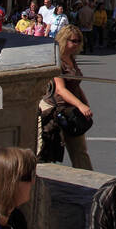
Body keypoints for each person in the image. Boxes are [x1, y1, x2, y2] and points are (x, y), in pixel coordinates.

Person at [36, 25, 94, 169]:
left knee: (80, 151)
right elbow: (61, 89)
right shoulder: (57, 60)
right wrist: (80, 105)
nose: (77, 44)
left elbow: (76, 85)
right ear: (63, 40)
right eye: (73, 41)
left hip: (70, 109)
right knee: (45, 150)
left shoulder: (71, 59)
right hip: (53, 109)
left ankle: (88, 182)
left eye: (79, 41)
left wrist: (84, 103)